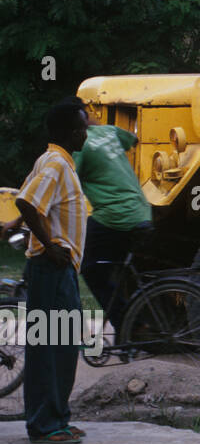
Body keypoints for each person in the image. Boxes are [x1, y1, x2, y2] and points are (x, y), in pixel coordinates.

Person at [0, 101, 89, 444]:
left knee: (63, 346)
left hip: (58, 270)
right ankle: (44, 425)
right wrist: (50, 244)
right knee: (51, 347)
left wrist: (13, 224)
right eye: (82, 128)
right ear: (69, 132)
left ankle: (58, 419)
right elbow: (28, 202)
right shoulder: (55, 164)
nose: (86, 133)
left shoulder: (51, 160)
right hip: (51, 268)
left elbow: (28, 196)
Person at [75, 108, 154, 332]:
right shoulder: (108, 131)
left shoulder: (79, 146)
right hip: (141, 210)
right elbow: (134, 139)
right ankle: (131, 326)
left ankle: (130, 327)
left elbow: (67, 185)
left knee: (89, 268)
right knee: (110, 268)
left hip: (116, 215)